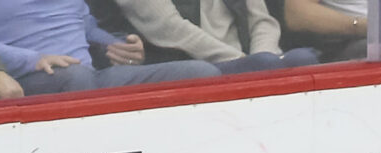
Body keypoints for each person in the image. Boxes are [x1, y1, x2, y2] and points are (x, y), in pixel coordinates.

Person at [0, 0, 220, 95]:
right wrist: (33, 59)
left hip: (88, 77)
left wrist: (117, 44)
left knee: (201, 74)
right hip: (23, 81)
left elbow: (85, 24)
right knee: (76, 78)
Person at [91, 0, 319, 75]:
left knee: (303, 59)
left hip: (253, 61)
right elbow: (171, 30)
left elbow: (262, 21)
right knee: (267, 65)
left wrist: (264, 55)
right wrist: (244, 60)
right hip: (188, 64)